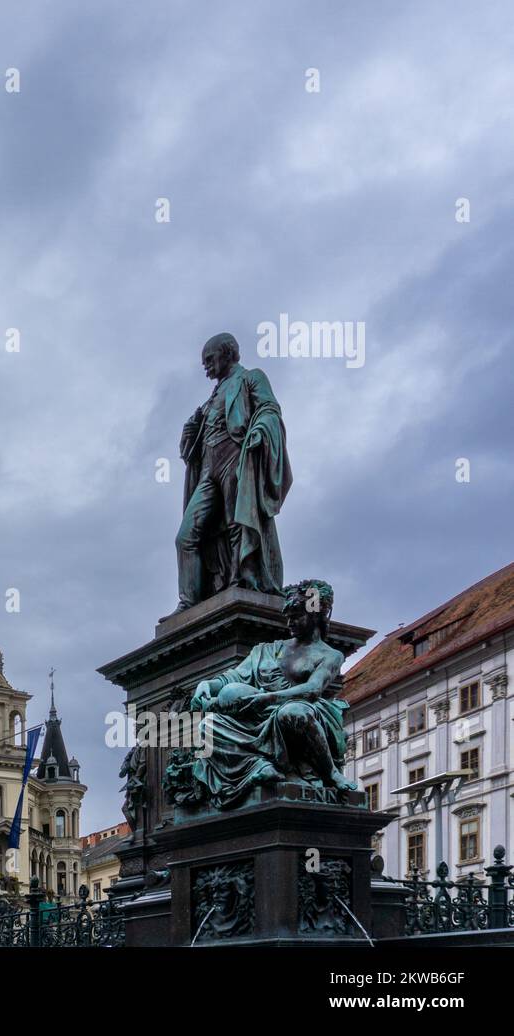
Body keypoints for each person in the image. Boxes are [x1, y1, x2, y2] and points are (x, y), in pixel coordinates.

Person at [186, 579, 355, 808]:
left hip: (301, 708)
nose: (290, 622)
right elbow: (234, 677)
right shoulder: (267, 650)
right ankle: (259, 767)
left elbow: (313, 690)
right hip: (257, 714)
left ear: (317, 614)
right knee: (208, 725)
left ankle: (331, 773)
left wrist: (267, 697)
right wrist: (208, 685)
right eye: (288, 616)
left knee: (292, 712)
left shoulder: (330, 655)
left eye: (296, 615)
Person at [168, 332, 292, 617]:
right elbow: (192, 445)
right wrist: (190, 435)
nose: (206, 366)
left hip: (235, 456)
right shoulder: (209, 399)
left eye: (209, 359)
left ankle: (243, 581)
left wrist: (260, 430)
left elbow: (269, 408)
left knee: (238, 523)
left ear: (227, 353)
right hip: (208, 468)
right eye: (204, 362)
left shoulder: (251, 378)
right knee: (185, 536)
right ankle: (189, 601)